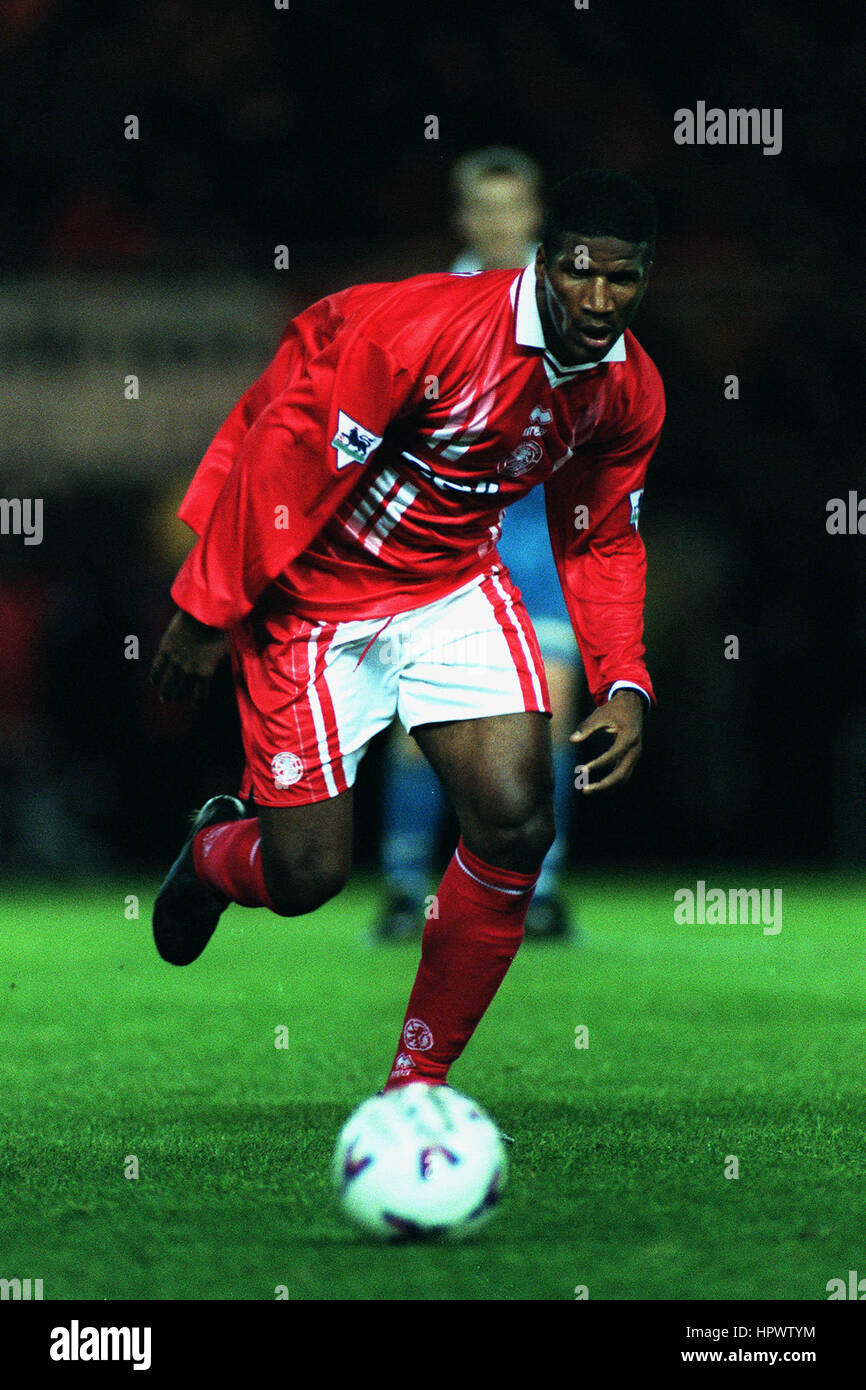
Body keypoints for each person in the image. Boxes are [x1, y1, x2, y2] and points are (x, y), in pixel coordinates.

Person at [149, 169, 664, 1094]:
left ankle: (415, 1084)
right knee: (306, 877)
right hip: (314, 594)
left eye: (620, 280)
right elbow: (290, 451)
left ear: (644, 279)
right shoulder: (427, 329)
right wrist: (208, 605)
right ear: (543, 262)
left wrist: (624, 676)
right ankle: (213, 855)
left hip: (449, 587)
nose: (597, 299)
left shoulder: (626, 391)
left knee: (515, 822)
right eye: (580, 274)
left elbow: (603, 537)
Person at [378, 147, 583, 941]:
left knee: (547, 713)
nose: (501, 223)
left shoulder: (571, 300)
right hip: (447, 538)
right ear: (465, 219)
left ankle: (539, 891)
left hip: (534, 536)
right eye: (485, 209)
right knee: (420, 718)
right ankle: (404, 886)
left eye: (515, 208)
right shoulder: (433, 305)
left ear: (536, 217)